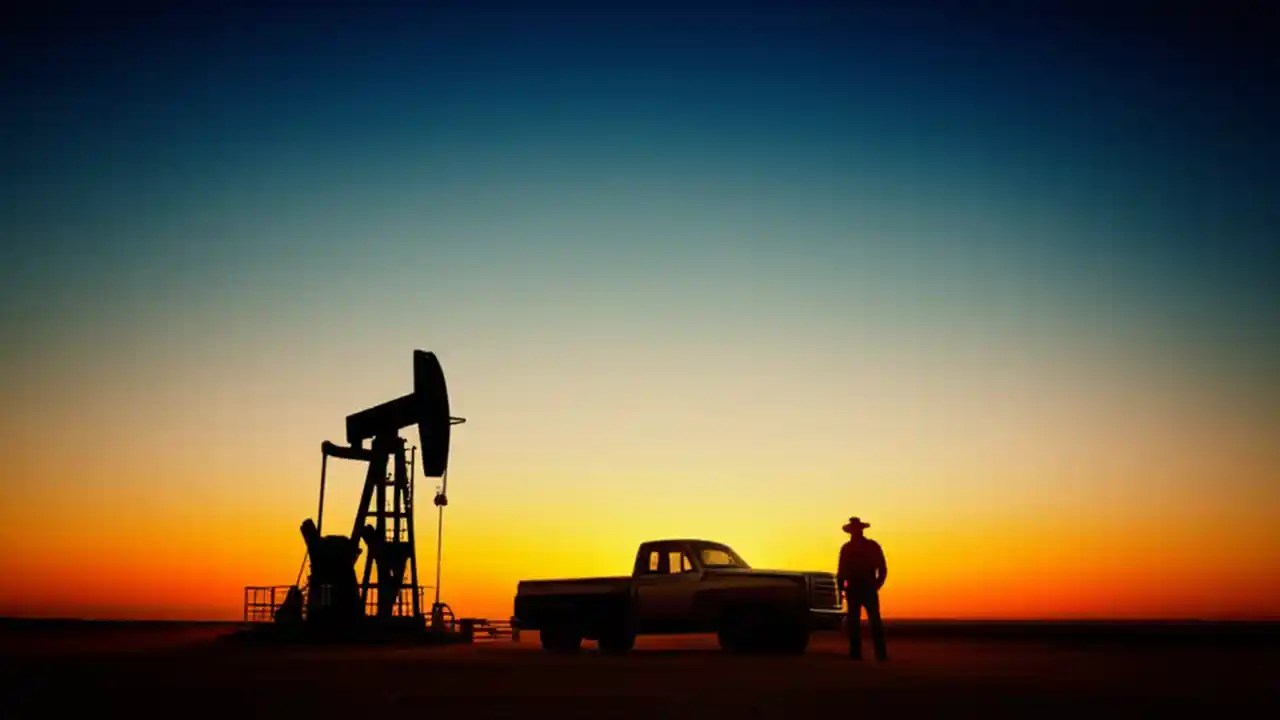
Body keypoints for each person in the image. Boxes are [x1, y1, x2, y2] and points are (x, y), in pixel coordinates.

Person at [837, 516, 887, 660]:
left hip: (866, 587)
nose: (855, 532)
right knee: (855, 622)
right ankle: (857, 652)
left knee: (873, 621)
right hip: (855, 588)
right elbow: (841, 571)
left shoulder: (870, 546)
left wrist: (877, 584)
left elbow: (882, 567)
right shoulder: (848, 548)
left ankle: (878, 653)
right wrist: (843, 588)